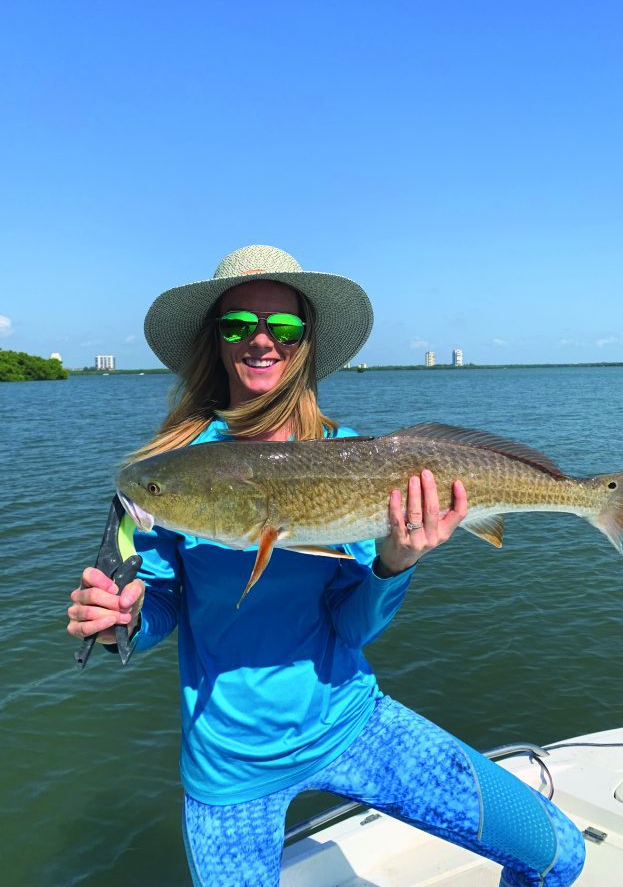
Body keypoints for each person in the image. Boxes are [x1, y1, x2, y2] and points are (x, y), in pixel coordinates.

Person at [67, 245, 585, 887]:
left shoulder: (355, 458)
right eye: (237, 324)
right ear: (216, 341)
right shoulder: (165, 472)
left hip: (351, 722)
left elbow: (350, 628)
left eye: (282, 327)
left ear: (305, 343)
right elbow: (158, 605)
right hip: (230, 769)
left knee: (558, 852)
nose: (260, 341)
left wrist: (395, 563)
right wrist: (125, 618)